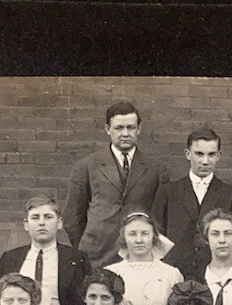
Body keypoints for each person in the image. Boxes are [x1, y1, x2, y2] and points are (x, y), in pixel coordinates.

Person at [62, 99, 169, 265]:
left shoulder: (157, 169)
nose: (125, 133)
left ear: (139, 129)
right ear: (107, 129)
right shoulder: (86, 166)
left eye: (131, 127)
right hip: (97, 255)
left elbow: (161, 218)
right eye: (119, 128)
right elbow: (72, 216)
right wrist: (85, 246)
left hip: (139, 255)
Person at [0, 192, 91, 305]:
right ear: (26, 224)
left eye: (48, 217)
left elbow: (84, 301)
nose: (42, 223)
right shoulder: (10, 258)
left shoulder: (76, 258)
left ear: (59, 223)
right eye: (35, 218)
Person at [152, 126, 232, 277]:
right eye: (199, 154)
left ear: (219, 156)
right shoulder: (168, 191)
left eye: (211, 155)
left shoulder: (231, 193)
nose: (205, 161)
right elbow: (157, 236)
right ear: (188, 154)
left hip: (215, 272)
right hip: (175, 271)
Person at [104, 209, 181, 305]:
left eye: (145, 234)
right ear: (124, 238)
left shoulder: (170, 274)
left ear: (154, 236)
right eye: (132, 234)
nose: (139, 240)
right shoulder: (111, 272)